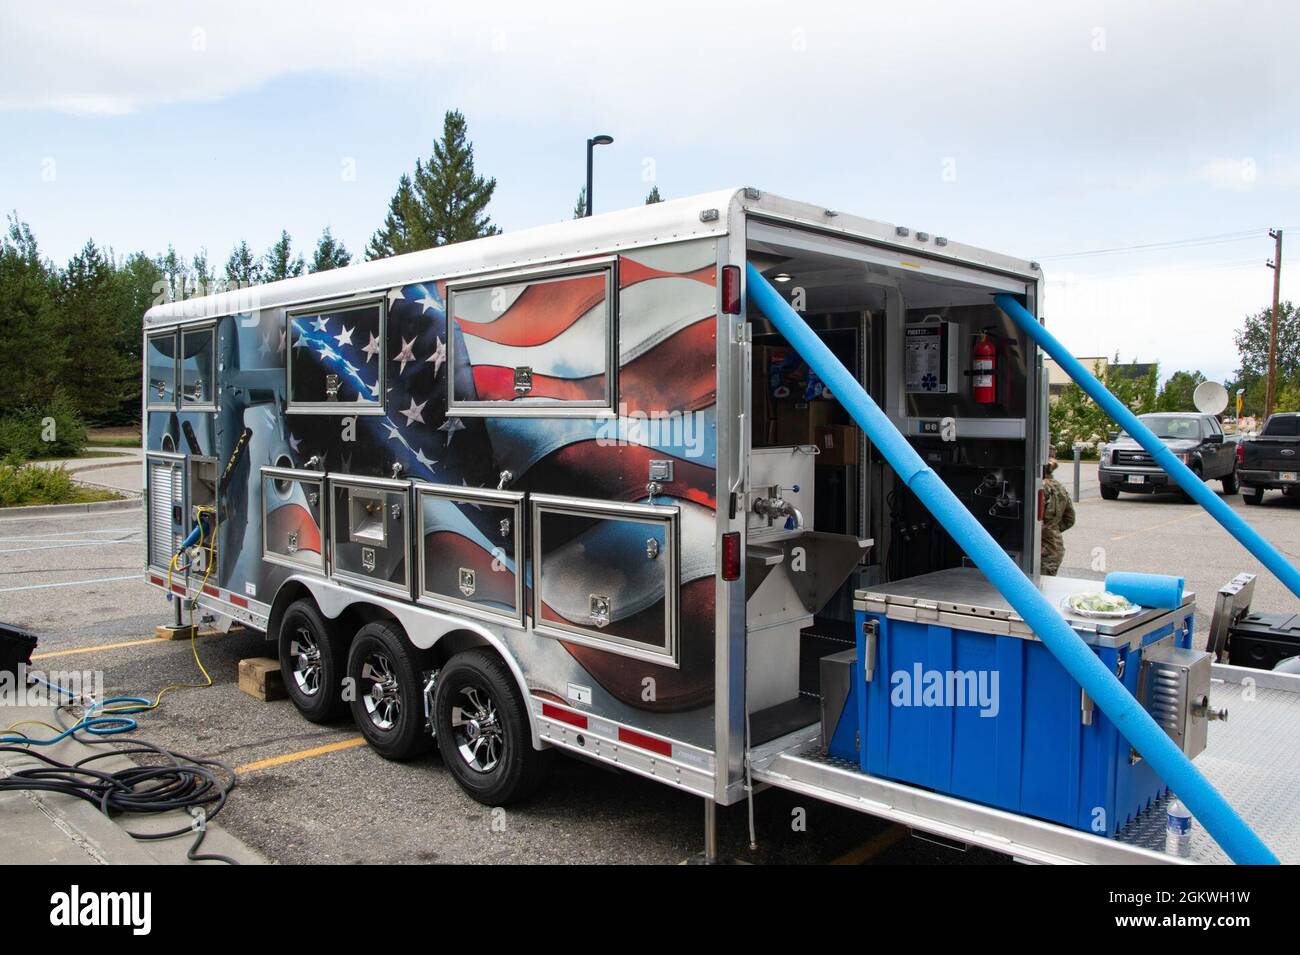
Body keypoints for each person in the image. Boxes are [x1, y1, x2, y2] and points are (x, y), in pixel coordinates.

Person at [1040, 458, 1075, 576]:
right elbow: (1070, 519)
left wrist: (1044, 530)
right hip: (1055, 548)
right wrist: (1052, 529)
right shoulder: (1060, 487)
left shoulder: (1040, 487)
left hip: (1042, 552)